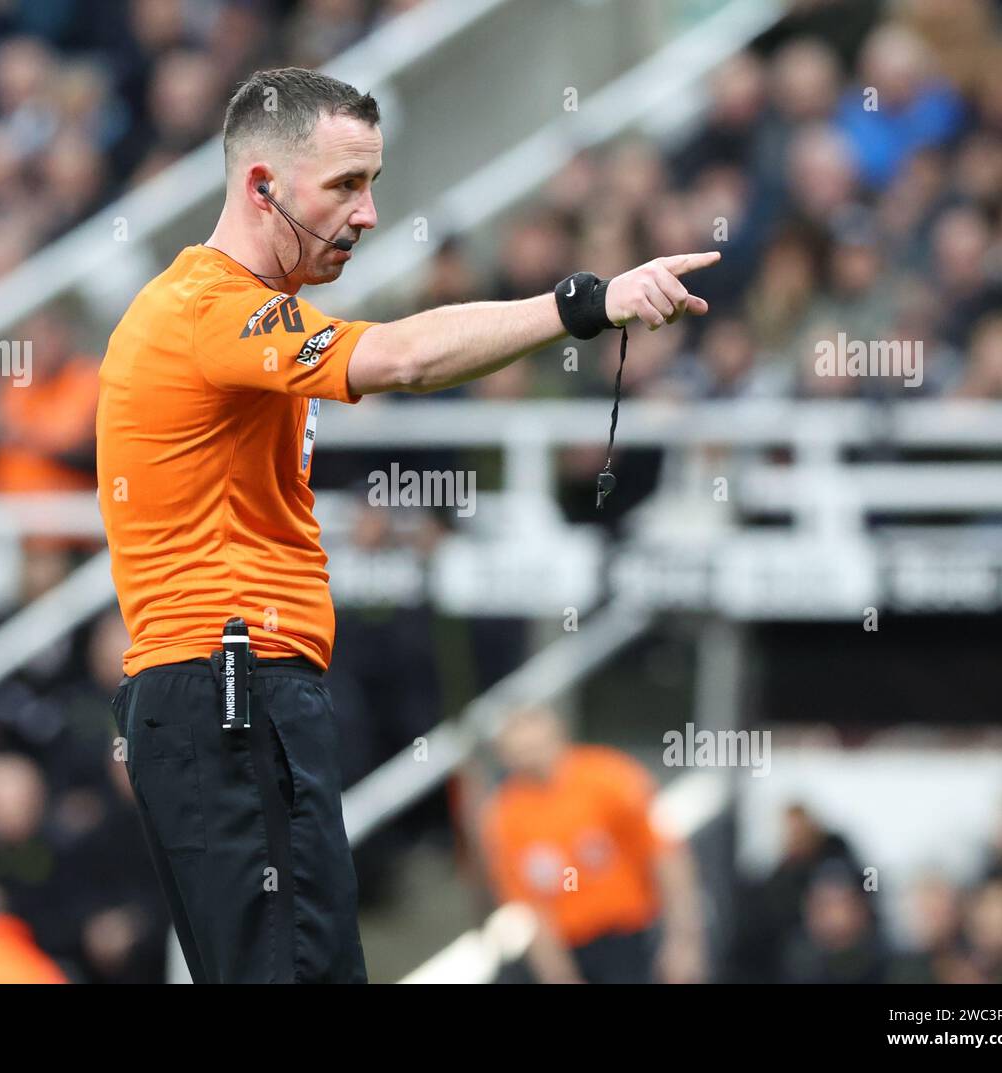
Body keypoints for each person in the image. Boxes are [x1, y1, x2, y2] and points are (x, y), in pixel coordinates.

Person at [96, 66, 719, 984]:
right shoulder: (207, 311)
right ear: (263, 186)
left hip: (217, 692)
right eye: (346, 184)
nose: (370, 214)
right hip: (232, 685)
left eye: (373, 184)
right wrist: (585, 303)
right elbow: (402, 357)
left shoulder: (221, 318)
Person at [476, 706, 706, 984]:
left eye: (535, 745)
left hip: (629, 935)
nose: (532, 758)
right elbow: (531, 908)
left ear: (557, 734)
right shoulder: (505, 816)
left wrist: (683, 940)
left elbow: (666, 854)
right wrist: (560, 977)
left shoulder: (608, 777)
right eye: (520, 751)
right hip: (569, 945)